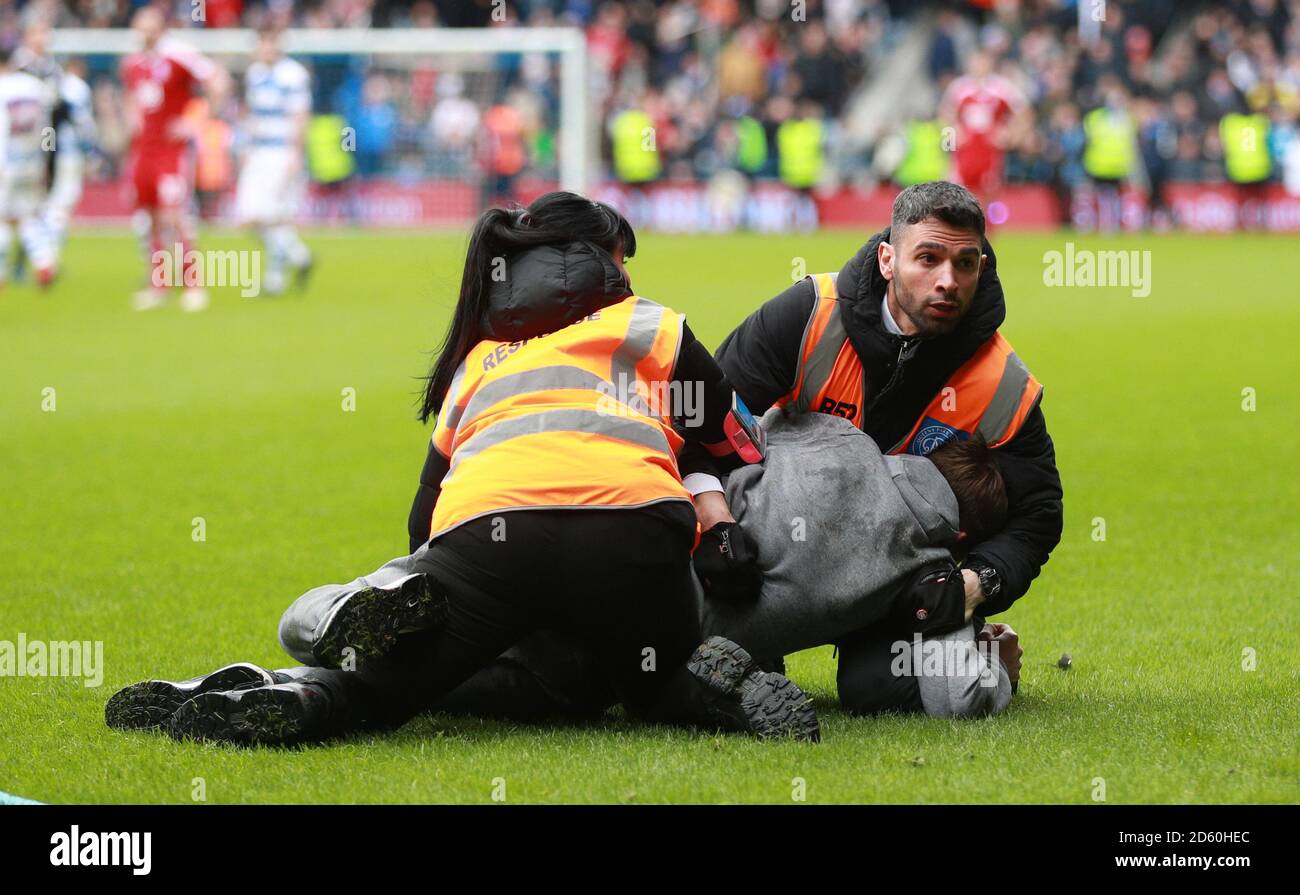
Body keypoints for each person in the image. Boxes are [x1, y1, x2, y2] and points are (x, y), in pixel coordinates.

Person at [104, 192, 820, 746]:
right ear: (603, 260)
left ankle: (294, 689)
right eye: (623, 257)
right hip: (634, 530)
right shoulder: (649, 324)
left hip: (487, 534)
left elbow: (425, 511)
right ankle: (717, 683)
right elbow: (738, 446)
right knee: (650, 683)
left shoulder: (478, 360)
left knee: (387, 692)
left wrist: (453, 581)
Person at [280, 409, 1023, 724]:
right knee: (548, 682)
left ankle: (363, 599)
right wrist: (987, 633)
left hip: (630, 537)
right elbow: (940, 664)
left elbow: (747, 425)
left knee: (503, 595)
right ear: (961, 531)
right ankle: (319, 689)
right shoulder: (919, 576)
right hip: (660, 646)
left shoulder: (843, 440)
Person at [120, 6, 229, 312]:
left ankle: (194, 283)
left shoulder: (179, 54)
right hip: (144, 150)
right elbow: (132, 97)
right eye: (140, 24)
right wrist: (131, 122)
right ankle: (159, 284)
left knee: (175, 215)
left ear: (160, 26)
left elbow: (217, 80)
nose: (144, 29)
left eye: (149, 23)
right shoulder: (133, 63)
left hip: (172, 150)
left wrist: (196, 121)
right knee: (150, 217)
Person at [235, 26, 313, 295]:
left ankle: (274, 279)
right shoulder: (254, 74)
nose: (265, 50)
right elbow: (251, 115)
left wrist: (296, 153)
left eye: (270, 44)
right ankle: (299, 255)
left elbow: (300, 116)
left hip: (280, 152)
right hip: (257, 151)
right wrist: (244, 147)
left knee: (271, 216)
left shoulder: (293, 74)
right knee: (249, 217)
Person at [0, 44, 57, 288]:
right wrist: (46, 160)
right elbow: (48, 128)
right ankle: (43, 261)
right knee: (27, 216)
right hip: (33, 162)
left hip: (8, 164)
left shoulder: (3, 88)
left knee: (3, 219)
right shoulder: (37, 89)